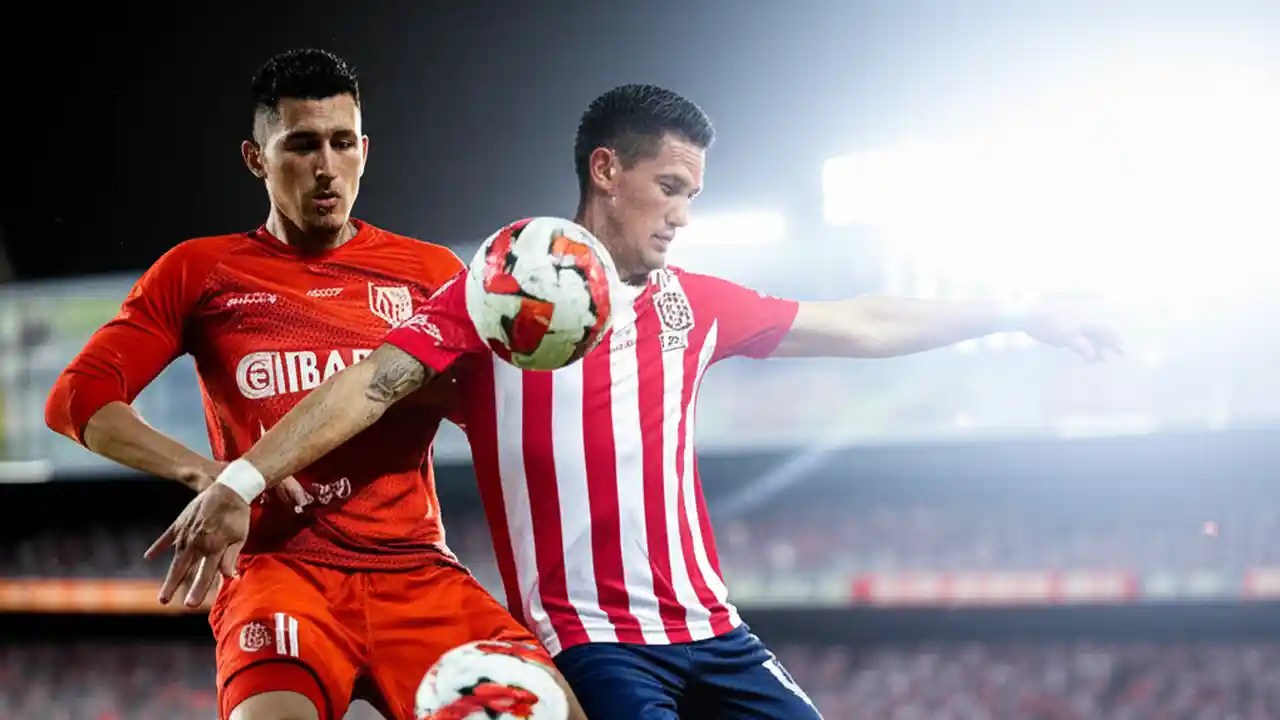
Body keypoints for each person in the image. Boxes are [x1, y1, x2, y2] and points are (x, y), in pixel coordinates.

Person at [147, 84, 1123, 719]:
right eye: (670, 186)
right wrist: (241, 479)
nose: (683, 214)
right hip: (594, 645)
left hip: (715, 631)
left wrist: (1018, 311)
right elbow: (369, 383)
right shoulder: (496, 293)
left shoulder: (695, 304)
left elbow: (860, 321)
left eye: (695, 194)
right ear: (605, 171)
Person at [46, 48, 583, 720]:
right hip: (279, 573)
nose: (326, 167)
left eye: (341, 143)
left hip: (417, 572)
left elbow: (489, 413)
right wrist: (209, 475)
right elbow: (78, 399)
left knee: (556, 711)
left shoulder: (429, 273)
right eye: (301, 145)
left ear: (364, 150)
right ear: (256, 158)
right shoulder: (201, 271)